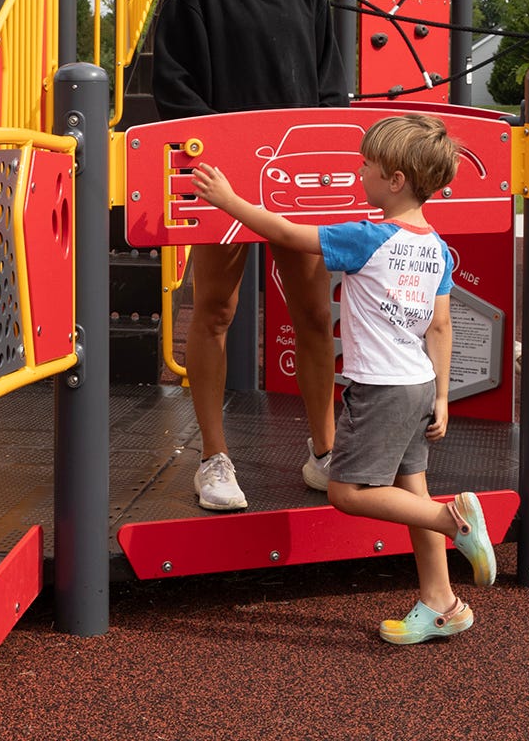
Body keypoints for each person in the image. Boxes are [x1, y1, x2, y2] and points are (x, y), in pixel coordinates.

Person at [191, 114, 498, 644]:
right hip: (421, 384)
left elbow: (286, 232)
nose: (358, 173)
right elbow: (442, 325)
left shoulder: (365, 237)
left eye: (367, 166)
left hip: (380, 390)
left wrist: (228, 199)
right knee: (409, 487)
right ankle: (443, 602)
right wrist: (444, 396)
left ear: (395, 180)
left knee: (347, 492)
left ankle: (455, 522)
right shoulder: (436, 247)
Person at [150, 0, 348, 511]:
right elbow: (175, 82)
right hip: (224, 177)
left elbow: (326, 84)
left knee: (316, 313)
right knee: (214, 311)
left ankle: (324, 453)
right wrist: (220, 159)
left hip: (297, 177)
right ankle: (214, 459)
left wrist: (330, 165)